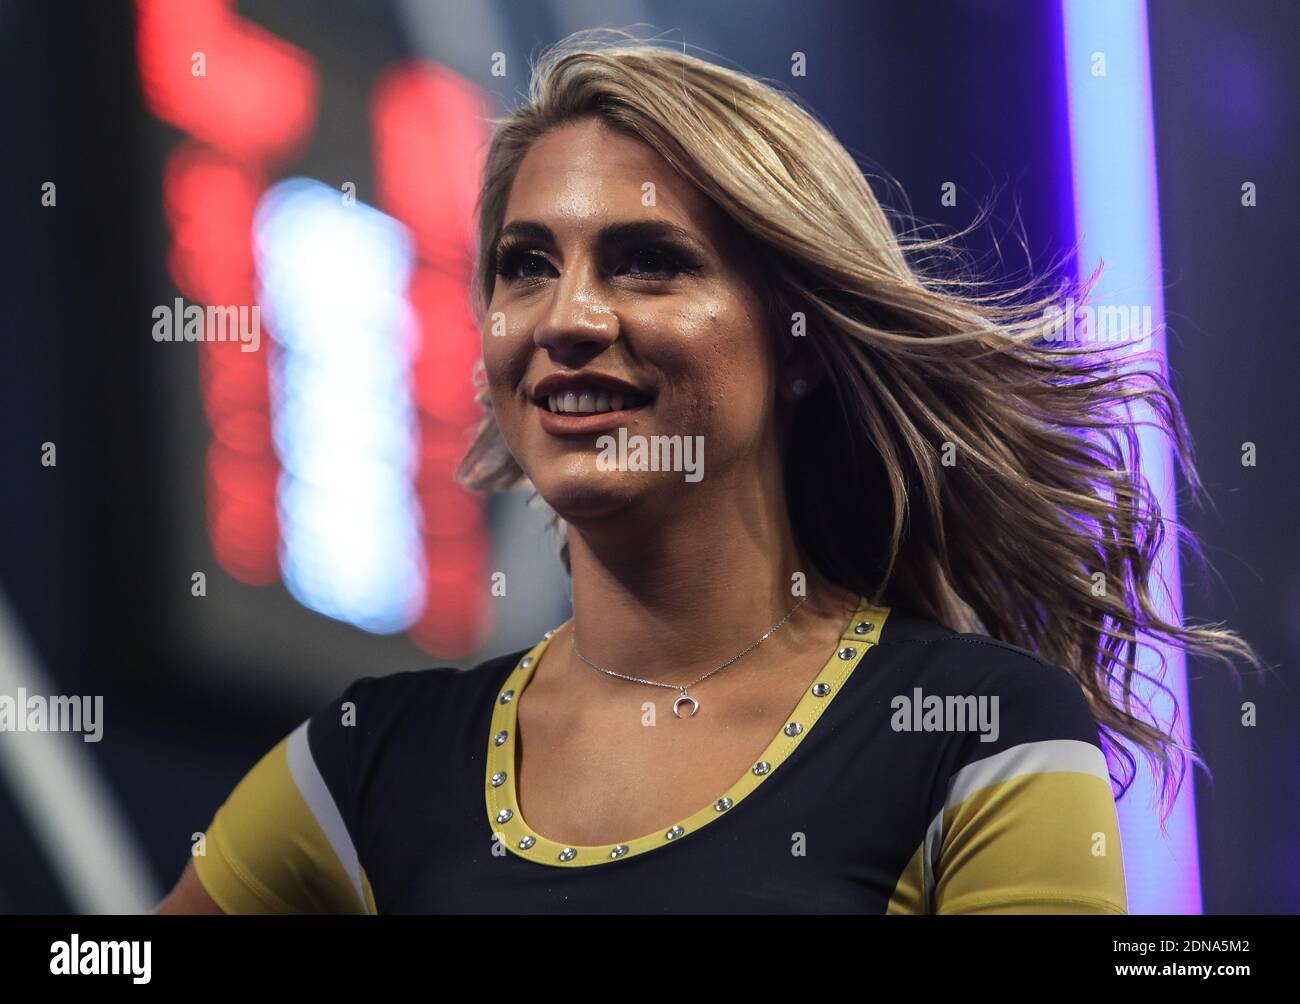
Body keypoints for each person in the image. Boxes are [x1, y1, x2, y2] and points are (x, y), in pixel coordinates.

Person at [156, 31, 1255, 915]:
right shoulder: (374, 757)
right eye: (525, 265)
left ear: (799, 339)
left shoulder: (978, 727)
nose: (569, 318)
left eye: (648, 262)